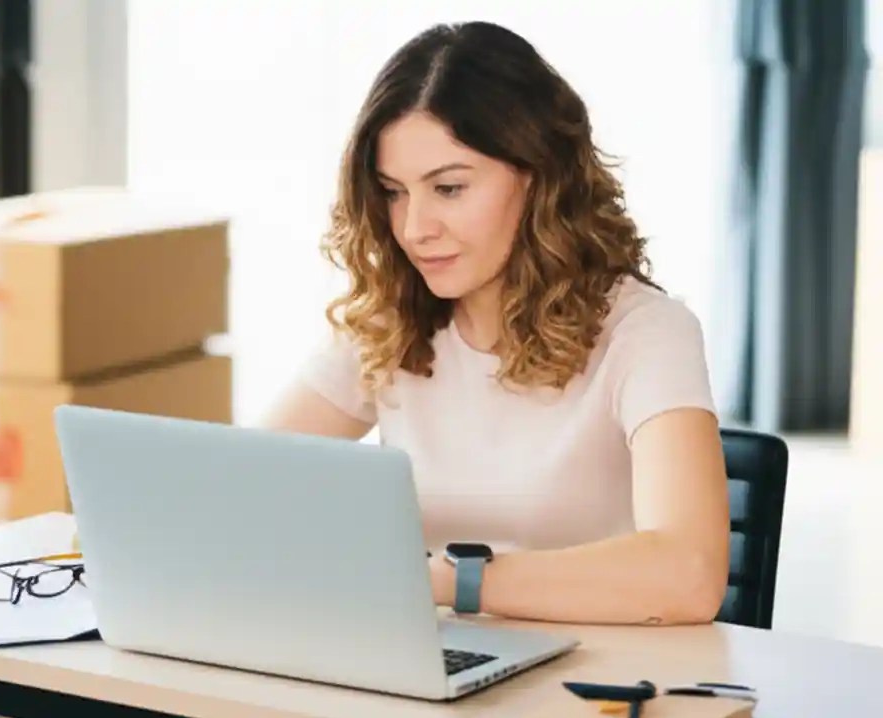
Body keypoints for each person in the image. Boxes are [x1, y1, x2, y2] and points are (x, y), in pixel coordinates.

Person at [263, 21, 729, 626]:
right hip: (433, 670)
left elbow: (688, 574)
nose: (413, 228)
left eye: (449, 188)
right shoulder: (390, 322)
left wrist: (447, 580)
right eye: (393, 192)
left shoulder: (646, 333)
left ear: (538, 178)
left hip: (596, 680)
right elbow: (246, 484)